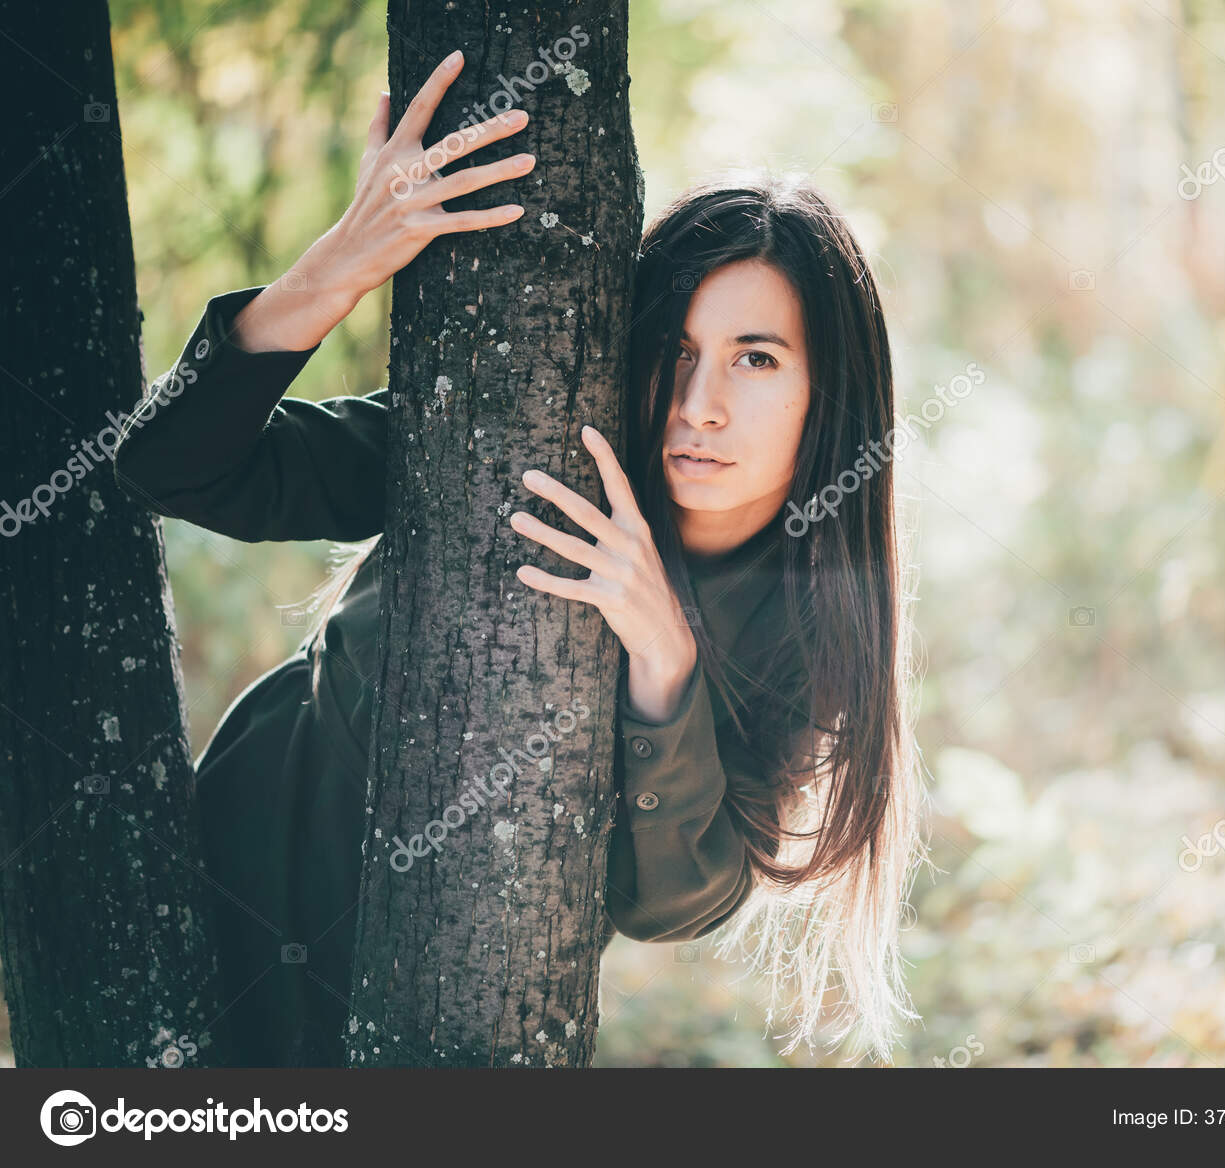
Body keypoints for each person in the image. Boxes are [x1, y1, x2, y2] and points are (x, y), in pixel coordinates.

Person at [113, 48, 929, 1067]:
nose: (699, 404)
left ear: (830, 391)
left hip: (446, 1026)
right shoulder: (534, 443)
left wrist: (663, 662)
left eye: (755, 357)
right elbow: (175, 469)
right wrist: (343, 263)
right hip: (219, 896)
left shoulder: (806, 620)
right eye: (673, 351)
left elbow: (670, 901)